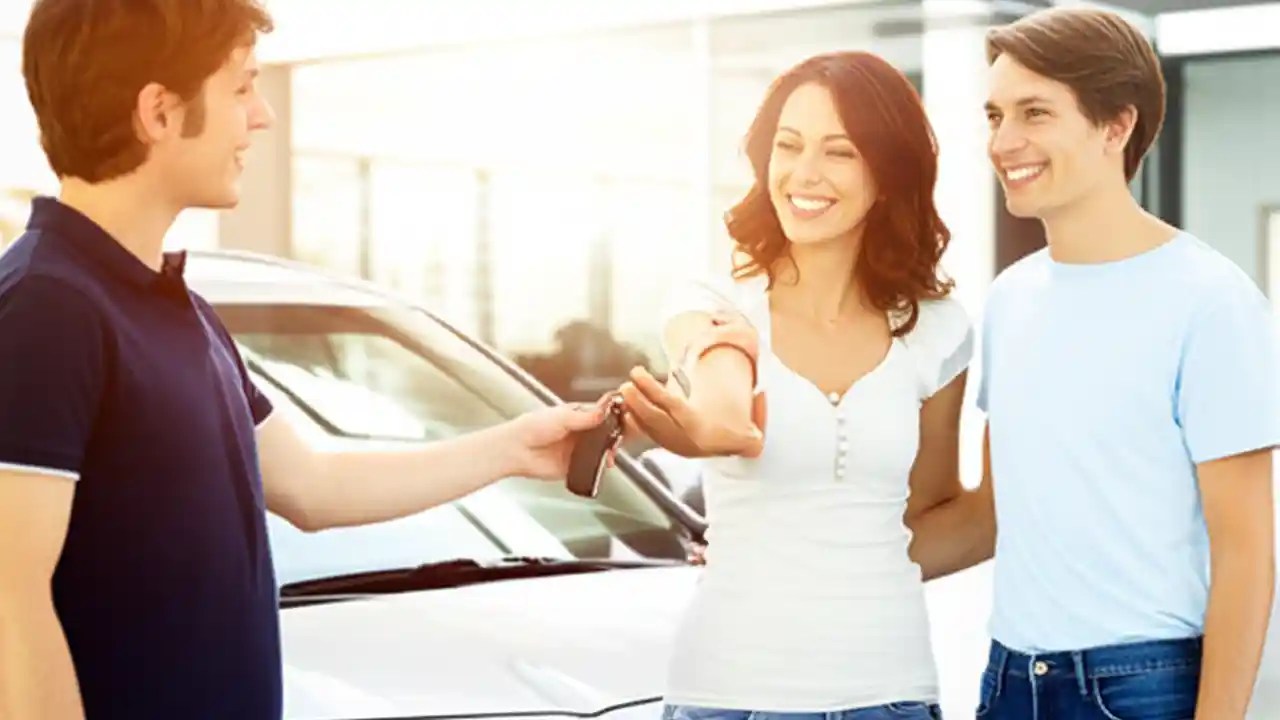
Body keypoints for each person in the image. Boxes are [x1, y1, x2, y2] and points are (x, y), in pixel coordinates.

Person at [0, 2, 613, 719]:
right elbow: (12, 602)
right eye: (240, 88)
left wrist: (513, 449)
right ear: (159, 113)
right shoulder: (45, 308)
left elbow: (312, 486)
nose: (261, 117)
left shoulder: (175, 307)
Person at [618, 51, 994, 719]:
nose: (804, 174)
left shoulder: (938, 329)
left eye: (839, 151)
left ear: (888, 173)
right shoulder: (714, 300)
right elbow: (721, 384)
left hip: (890, 694)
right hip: (726, 695)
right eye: (787, 146)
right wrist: (717, 428)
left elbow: (936, 516)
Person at [969, 7, 1279, 718]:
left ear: (1116, 126)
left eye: (1035, 113)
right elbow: (991, 515)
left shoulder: (1211, 300)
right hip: (1008, 681)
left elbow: (1246, 553)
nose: (1004, 141)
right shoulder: (1010, 299)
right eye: (994, 115)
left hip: (1137, 688)